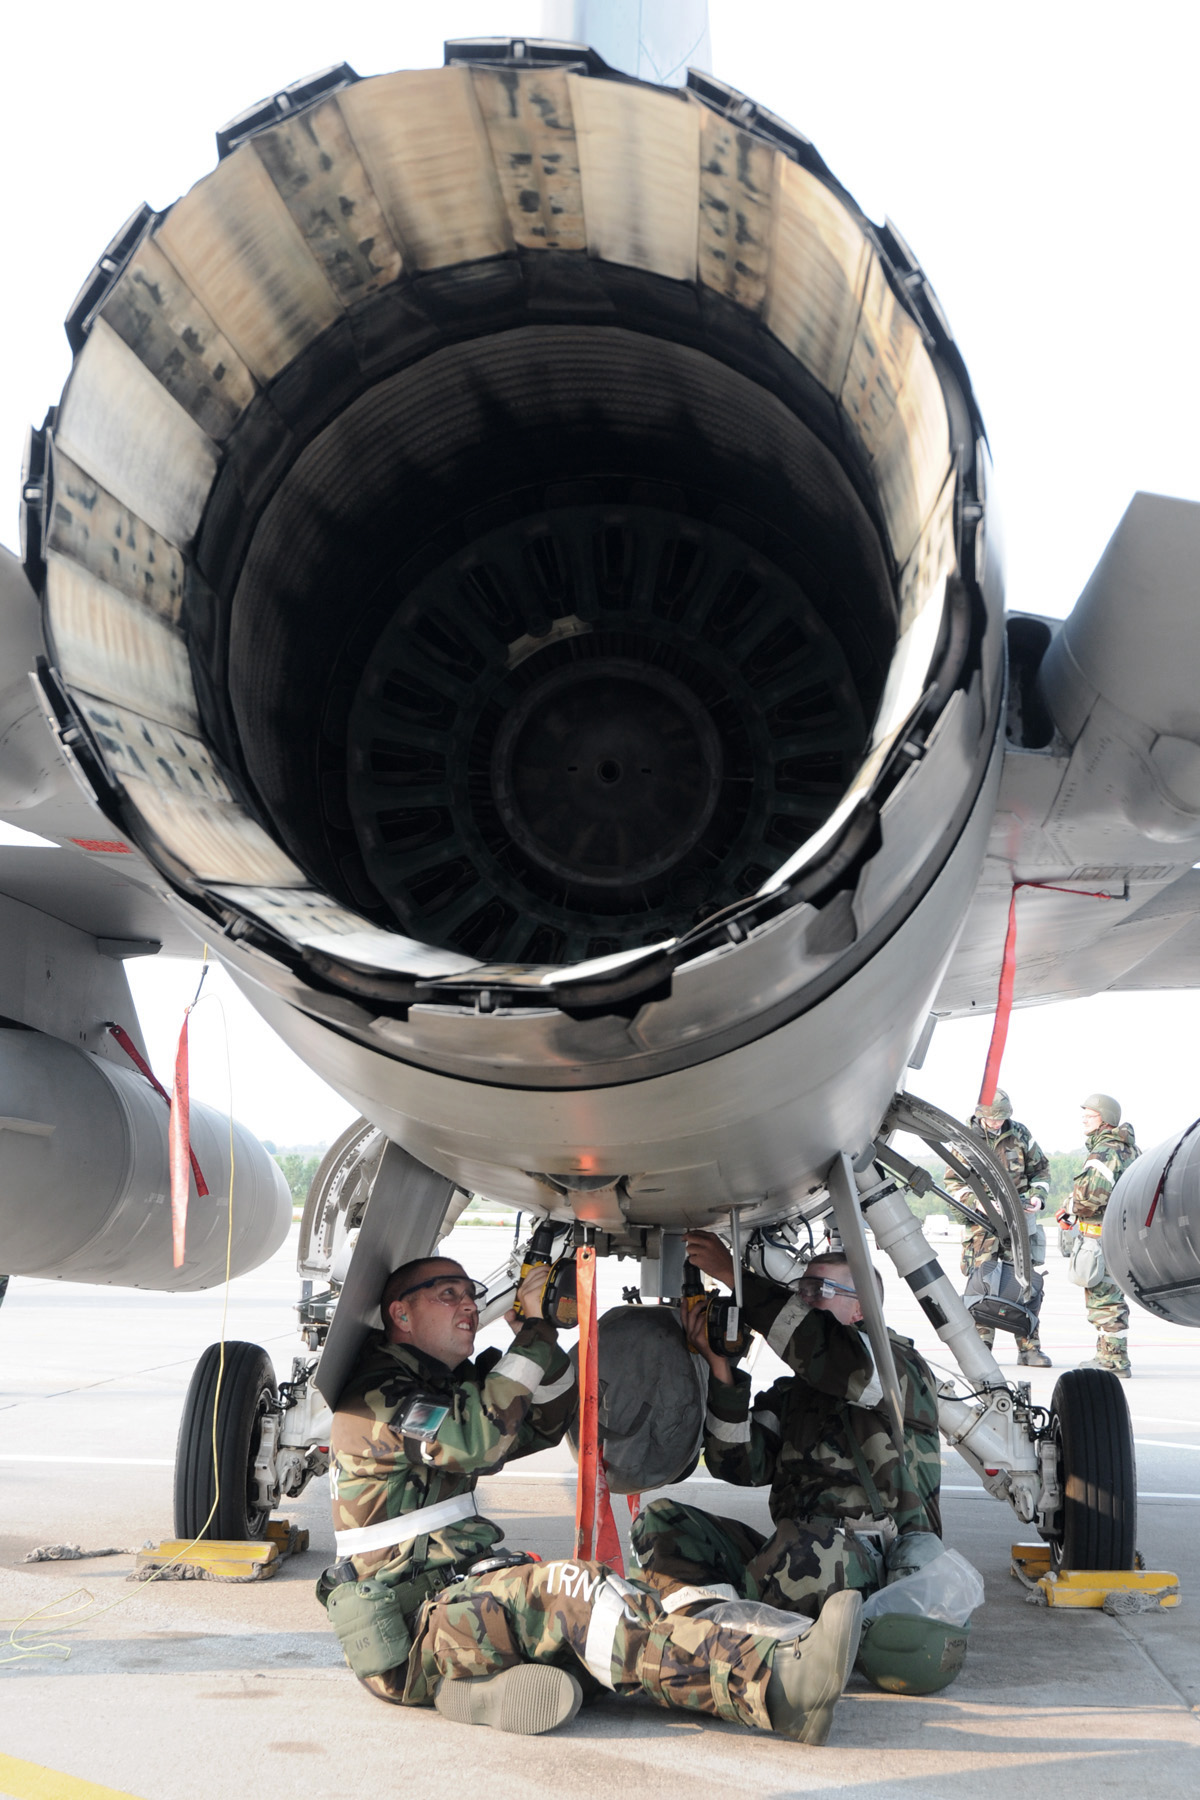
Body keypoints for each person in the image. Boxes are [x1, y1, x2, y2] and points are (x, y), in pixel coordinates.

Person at [322, 1253, 863, 1744]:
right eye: (448, 1294)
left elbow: (540, 1421)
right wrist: (534, 1329)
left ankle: (475, 1690)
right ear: (401, 1313)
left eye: (470, 1292)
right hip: (411, 1630)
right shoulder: (379, 1398)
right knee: (579, 1595)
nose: (468, 1304)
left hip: (453, 1605)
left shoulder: (438, 1384)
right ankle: (778, 1687)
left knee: (611, 1629)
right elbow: (478, 1438)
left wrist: (546, 1337)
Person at [631, 1235, 942, 1622]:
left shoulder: (896, 1369)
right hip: (797, 1559)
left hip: (871, 1567)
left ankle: (775, 1635)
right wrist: (721, 1368)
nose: (804, 1301)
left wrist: (732, 1275)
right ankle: (710, 1630)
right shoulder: (796, 1393)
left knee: (807, 1545)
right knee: (663, 1522)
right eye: (801, 1291)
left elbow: (817, 1342)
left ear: (861, 1308)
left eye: (818, 1291)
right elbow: (740, 1467)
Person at [943, 1091, 1051, 1368]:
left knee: (1024, 1283)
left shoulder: (1020, 1134)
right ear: (980, 1115)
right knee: (982, 1288)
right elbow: (953, 1183)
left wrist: (1038, 1197)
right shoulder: (965, 1139)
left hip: (1019, 1222)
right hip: (983, 1228)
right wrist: (978, 1202)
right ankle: (981, 1351)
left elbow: (1041, 1171)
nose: (996, 1124)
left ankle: (1029, 1349)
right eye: (991, 1119)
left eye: (1002, 1118)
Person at [1056, 1094, 1138, 1377]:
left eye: (1089, 1116)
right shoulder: (1129, 1149)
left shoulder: (1105, 1151)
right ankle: (1109, 1354)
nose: (1084, 1120)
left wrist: (1069, 1207)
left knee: (1103, 1297)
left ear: (1105, 1120)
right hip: (1120, 1235)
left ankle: (1113, 1360)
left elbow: (1090, 1197)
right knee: (1112, 1294)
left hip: (1100, 1235)